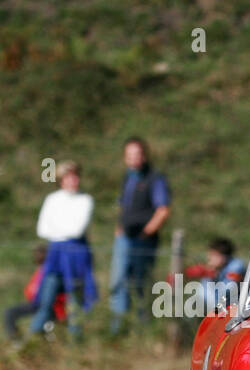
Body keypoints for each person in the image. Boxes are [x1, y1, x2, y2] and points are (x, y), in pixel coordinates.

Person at [109, 136, 171, 335]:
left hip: (143, 241)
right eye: (129, 155)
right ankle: (118, 328)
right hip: (124, 239)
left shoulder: (154, 178)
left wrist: (146, 233)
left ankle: (144, 327)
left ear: (144, 156)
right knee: (118, 282)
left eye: (137, 154)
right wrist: (119, 228)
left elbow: (162, 210)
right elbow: (122, 206)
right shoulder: (128, 177)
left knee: (141, 283)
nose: (133, 158)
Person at [30, 161, 97, 338]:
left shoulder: (85, 200)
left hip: (77, 255)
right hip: (55, 255)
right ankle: (33, 337)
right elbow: (42, 229)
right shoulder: (52, 199)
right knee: (47, 297)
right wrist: (63, 231)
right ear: (61, 179)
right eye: (69, 176)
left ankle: (75, 342)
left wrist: (57, 230)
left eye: (75, 176)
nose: (73, 180)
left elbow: (77, 230)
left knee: (75, 299)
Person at [4, 246, 66, 340]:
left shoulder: (51, 274)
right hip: (36, 304)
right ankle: (15, 340)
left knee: (11, 313)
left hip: (47, 306)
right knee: (9, 313)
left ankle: (21, 341)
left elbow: (35, 293)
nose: (37, 256)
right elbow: (29, 291)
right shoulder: (41, 271)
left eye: (39, 254)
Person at [183, 237, 246, 313]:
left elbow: (229, 290)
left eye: (213, 255)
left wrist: (212, 275)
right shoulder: (214, 269)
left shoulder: (236, 266)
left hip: (236, 307)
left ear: (222, 256)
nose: (209, 258)